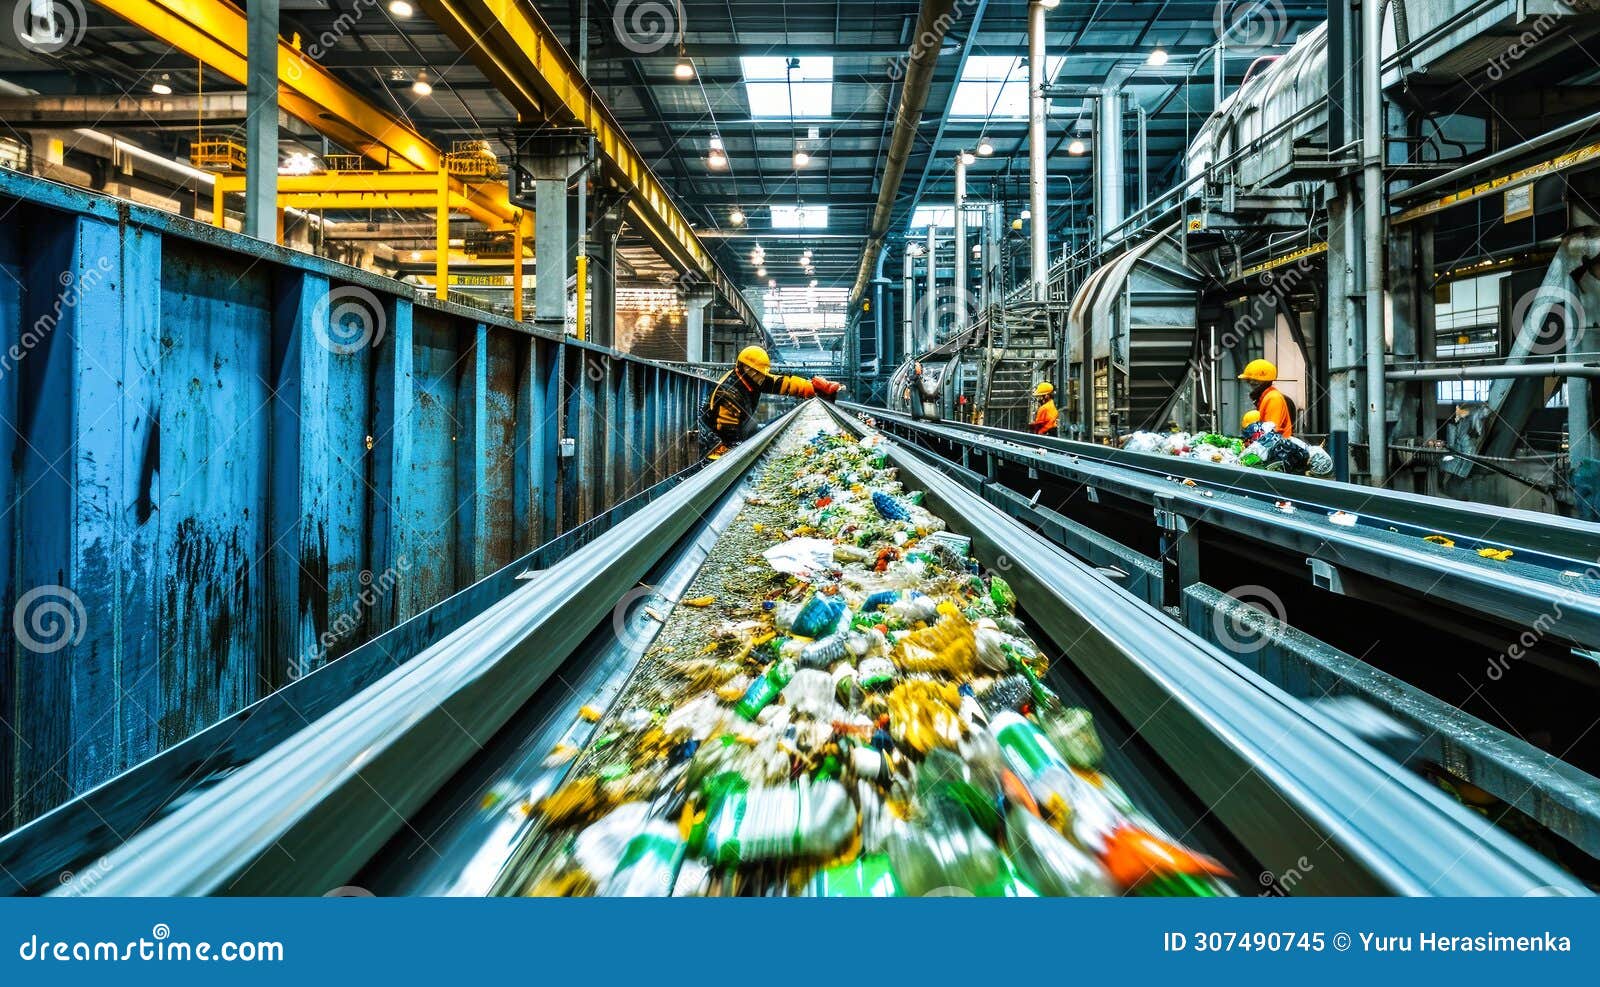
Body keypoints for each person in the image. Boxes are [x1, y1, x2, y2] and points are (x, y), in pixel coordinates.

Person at [699, 346, 844, 458]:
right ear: (746, 368)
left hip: (732, 436)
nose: (762, 378)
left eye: (762, 374)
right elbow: (728, 434)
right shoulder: (728, 394)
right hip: (716, 450)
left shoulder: (752, 378)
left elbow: (782, 383)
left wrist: (813, 388)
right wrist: (745, 453)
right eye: (758, 373)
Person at [1238, 360, 1294, 438]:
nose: (1250, 383)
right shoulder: (1265, 397)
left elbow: (1270, 431)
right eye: (1248, 380)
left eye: (1253, 380)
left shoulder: (1273, 398)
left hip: (1277, 448)